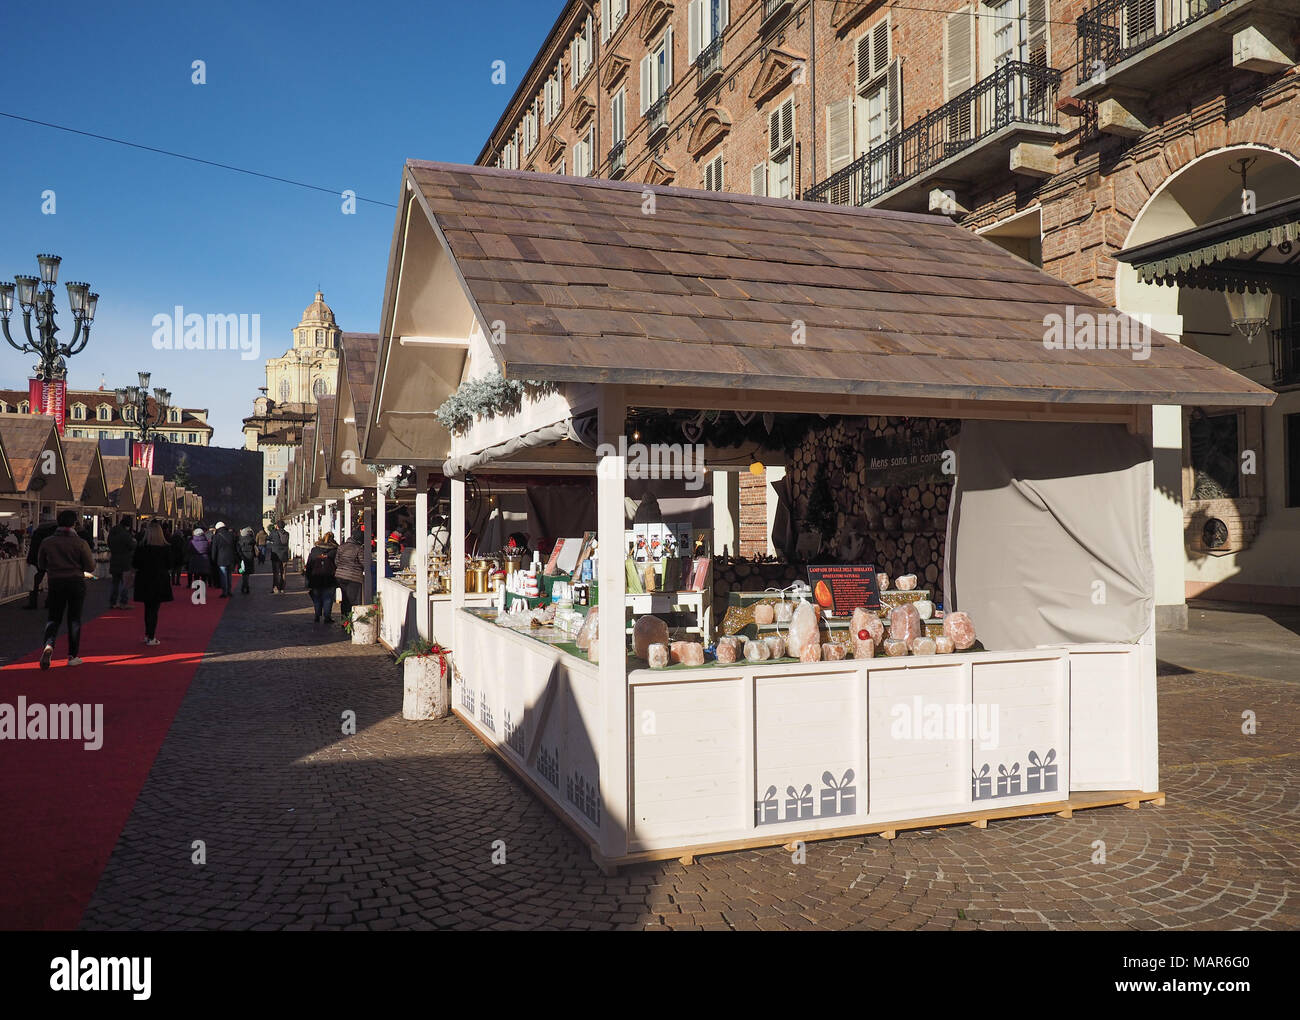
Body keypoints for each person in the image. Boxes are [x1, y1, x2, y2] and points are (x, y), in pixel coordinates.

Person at [37, 510, 96, 669]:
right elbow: (90, 566)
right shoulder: (80, 543)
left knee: (54, 617)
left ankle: (49, 645)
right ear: (74, 523)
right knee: (74, 618)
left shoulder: (48, 542)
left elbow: (41, 564)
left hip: (56, 581)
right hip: (75, 581)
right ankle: (72, 655)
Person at [132, 521, 175, 646]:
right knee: (154, 610)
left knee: (147, 608)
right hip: (159, 580)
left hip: (144, 579)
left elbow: (135, 564)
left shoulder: (142, 547)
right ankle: (151, 636)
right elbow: (169, 564)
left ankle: (148, 634)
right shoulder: (165, 548)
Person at [24, 510, 58, 610]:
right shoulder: (56, 532)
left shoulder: (38, 532)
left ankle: (33, 603)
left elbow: (34, 548)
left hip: (38, 560)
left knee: (34, 582)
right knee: (52, 582)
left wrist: (30, 560)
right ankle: (50, 602)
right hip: (53, 560)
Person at [304, 531, 339, 623]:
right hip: (330, 577)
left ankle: (317, 615)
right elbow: (337, 565)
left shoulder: (315, 550)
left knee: (316, 597)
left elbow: (309, 565)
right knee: (328, 598)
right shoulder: (334, 551)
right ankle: (327, 617)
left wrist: (307, 577)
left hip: (316, 577)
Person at [334, 532, 366, 625]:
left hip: (340, 576)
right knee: (354, 600)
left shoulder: (341, 547)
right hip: (353, 577)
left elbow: (336, 561)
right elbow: (364, 562)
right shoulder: (359, 548)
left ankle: (345, 622)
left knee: (345, 600)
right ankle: (353, 622)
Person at [106, 517, 137, 610]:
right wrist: (134, 542)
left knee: (115, 583)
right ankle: (123, 602)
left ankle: (113, 602)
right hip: (125, 561)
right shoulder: (125, 534)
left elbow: (109, 543)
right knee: (125, 583)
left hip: (114, 559)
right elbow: (132, 545)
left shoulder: (113, 531)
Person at [211, 522, 235, 598]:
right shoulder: (231, 535)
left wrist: (213, 559)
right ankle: (229, 591)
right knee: (229, 575)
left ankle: (224, 592)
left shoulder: (216, 537)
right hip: (231, 558)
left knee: (223, 576)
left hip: (221, 559)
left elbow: (214, 550)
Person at [266, 520, 290, 594]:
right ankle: (282, 588)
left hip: (276, 556)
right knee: (283, 573)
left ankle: (275, 588)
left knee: (276, 573)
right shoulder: (287, 534)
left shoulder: (274, 533)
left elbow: (268, 538)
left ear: (277, 526)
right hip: (284, 556)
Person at [236, 526, 257, 594]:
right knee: (247, 573)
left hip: (243, 557)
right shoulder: (252, 540)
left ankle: (244, 586)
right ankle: (246, 586)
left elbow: (238, 550)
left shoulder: (240, 540)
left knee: (243, 572)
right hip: (250, 557)